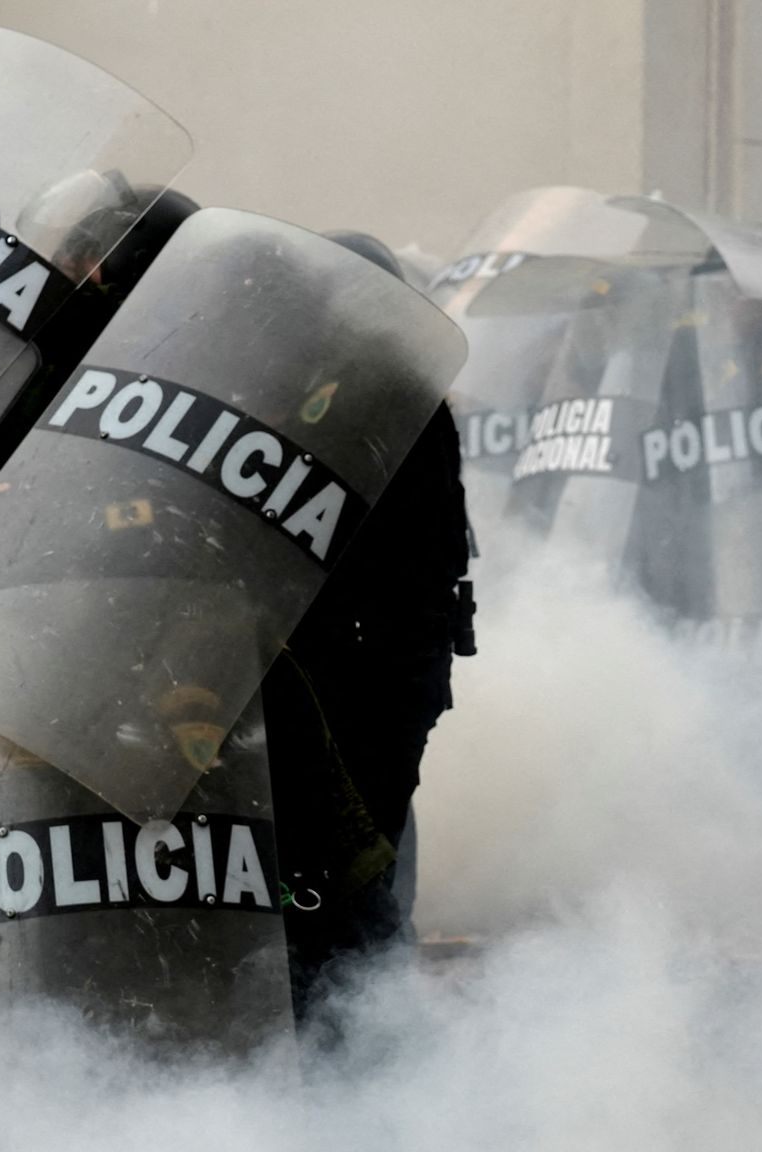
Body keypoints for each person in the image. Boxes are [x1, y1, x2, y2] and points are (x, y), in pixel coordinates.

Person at [268, 229, 475, 1021]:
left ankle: (375, 1025)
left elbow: (415, 568)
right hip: (329, 664)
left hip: (367, 665)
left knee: (359, 869)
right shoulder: (307, 382)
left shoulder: (397, 402)